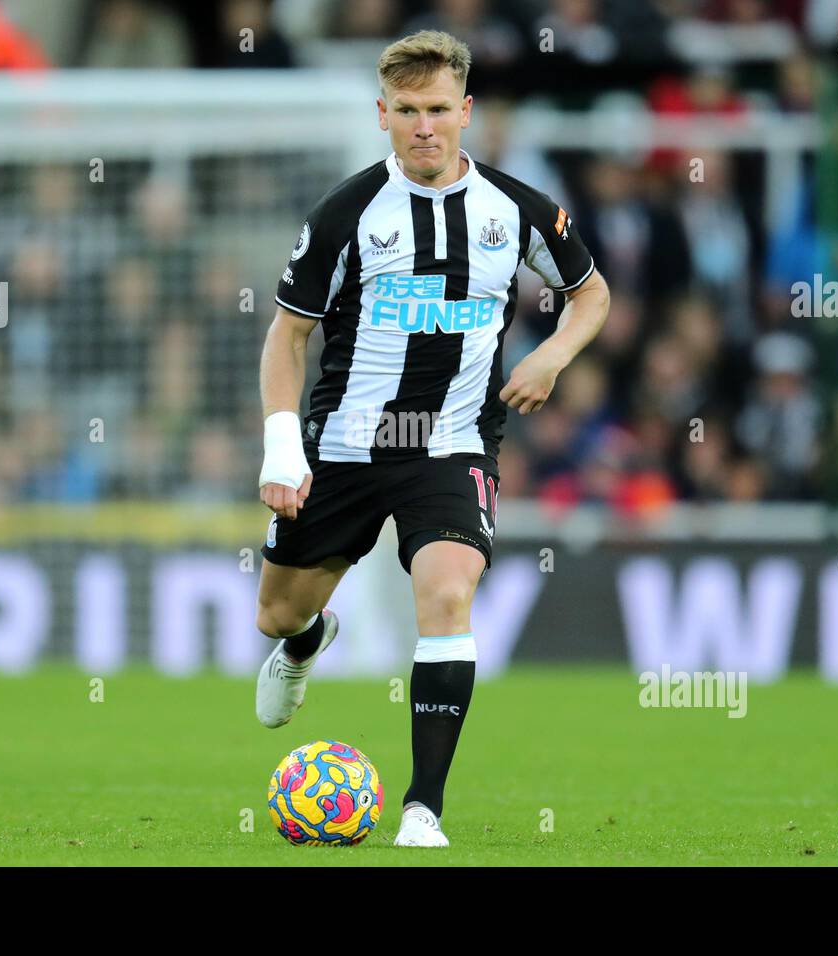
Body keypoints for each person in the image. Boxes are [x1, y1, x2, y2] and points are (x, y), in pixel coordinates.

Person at [253, 30, 610, 847]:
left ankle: (423, 809)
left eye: (439, 109)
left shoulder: (516, 210)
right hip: (346, 444)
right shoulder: (345, 214)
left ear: (466, 111)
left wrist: (552, 356)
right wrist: (282, 446)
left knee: (448, 596)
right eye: (408, 110)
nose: (424, 126)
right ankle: (306, 644)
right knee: (276, 613)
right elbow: (287, 336)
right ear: (382, 114)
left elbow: (590, 294)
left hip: (452, 443)